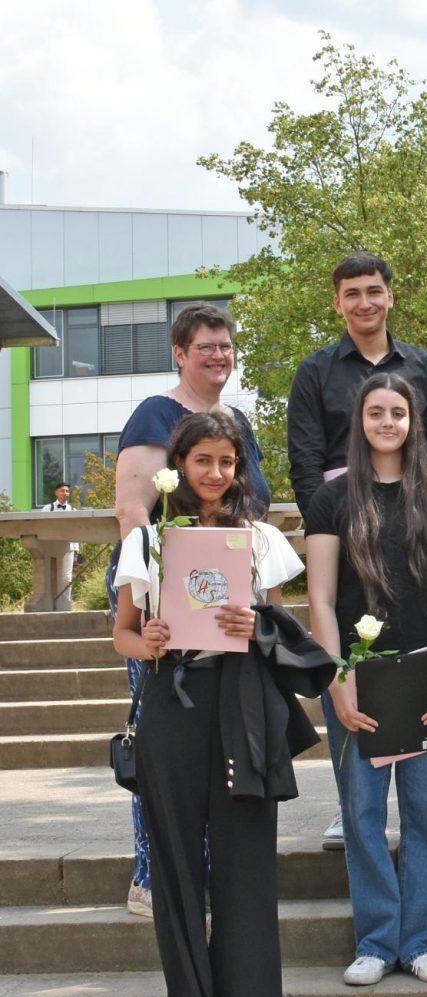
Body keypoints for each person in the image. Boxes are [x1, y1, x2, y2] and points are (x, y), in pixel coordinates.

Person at [111, 411, 315, 997]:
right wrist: (151, 641)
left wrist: (253, 619)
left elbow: (283, 630)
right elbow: (124, 634)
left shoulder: (259, 538)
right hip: (174, 704)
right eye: (204, 460)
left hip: (242, 709)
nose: (217, 473)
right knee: (175, 873)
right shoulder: (149, 540)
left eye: (228, 461)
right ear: (180, 464)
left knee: (246, 866)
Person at [305, 373, 427, 988]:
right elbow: (320, 599)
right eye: (375, 411)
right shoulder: (332, 500)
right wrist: (337, 677)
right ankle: (376, 940)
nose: (386, 422)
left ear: (412, 421)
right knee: (363, 813)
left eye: (397, 412)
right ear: (360, 421)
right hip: (357, 677)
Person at [109, 302, 271, 918]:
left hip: (227, 595)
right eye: (205, 346)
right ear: (179, 352)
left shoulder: (237, 422)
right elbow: (134, 512)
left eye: (226, 346)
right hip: (162, 591)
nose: (218, 356)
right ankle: (152, 875)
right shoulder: (156, 413)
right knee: (161, 736)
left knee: (214, 739)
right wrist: (154, 595)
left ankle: (208, 873)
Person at [287, 250, 427, 852]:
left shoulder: (425, 368)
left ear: (390, 296)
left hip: (416, 526)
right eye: (351, 292)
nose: (364, 302)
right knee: (351, 673)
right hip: (343, 531)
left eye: (374, 290)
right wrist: (337, 522)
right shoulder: (317, 370)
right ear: (337, 302)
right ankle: (352, 807)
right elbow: (304, 459)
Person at [41, 482, 76, 605]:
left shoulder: (73, 510)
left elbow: (78, 530)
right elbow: (41, 527)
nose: (65, 493)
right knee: (51, 576)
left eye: (67, 491)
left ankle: (66, 602)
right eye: (62, 490)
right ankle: (50, 602)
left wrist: (76, 549)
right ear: (56, 492)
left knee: (67, 577)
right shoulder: (47, 508)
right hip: (51, 546)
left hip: (68, 546)